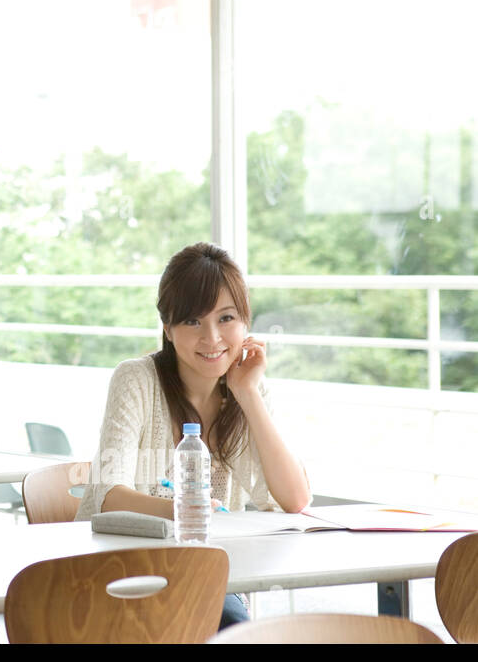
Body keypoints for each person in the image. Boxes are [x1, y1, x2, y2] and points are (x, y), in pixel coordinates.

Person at [77, 242, 310, 626]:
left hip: (206, 573)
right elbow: (107, 494)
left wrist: (247, 393)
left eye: (226, 318)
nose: (212, 338)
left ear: (245, 323)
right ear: (167, 328)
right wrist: (189, 515)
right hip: (122, 567)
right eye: (192, 321)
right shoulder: (136, 379)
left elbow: (293, 498)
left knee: (234, 628)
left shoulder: (247, 388)